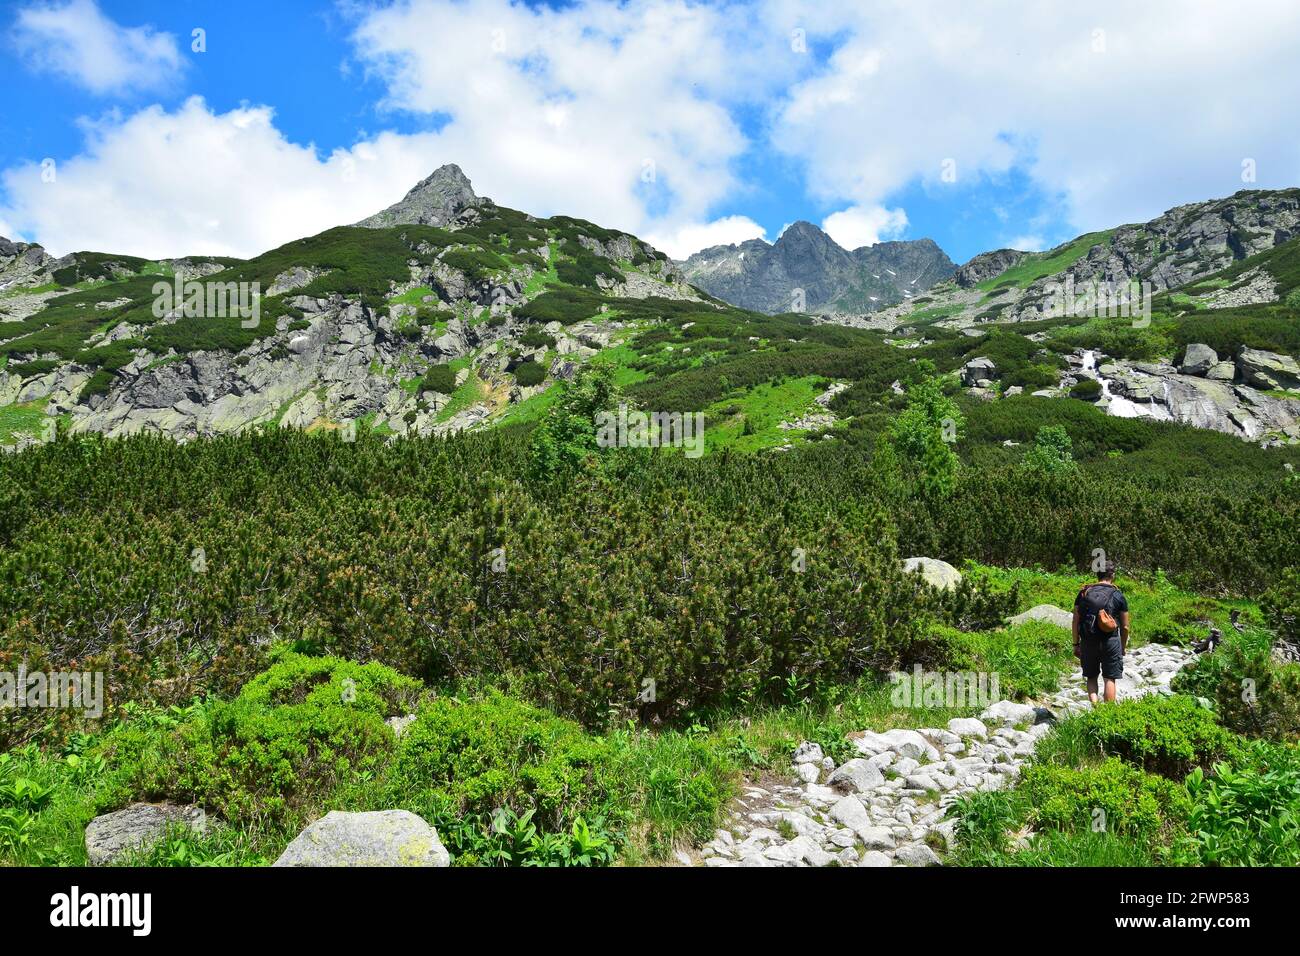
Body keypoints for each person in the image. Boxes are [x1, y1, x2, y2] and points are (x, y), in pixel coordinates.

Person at [1073, 561, 1130, 704]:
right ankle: (1108, 715)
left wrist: (1076, 644)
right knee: (1109, 678)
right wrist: (1122, 646)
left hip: (1088, 640)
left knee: (1091, 677)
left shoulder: (1084, 592)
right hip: (1110, 640)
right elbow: (1125, 627)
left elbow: (1075, 620)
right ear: (1113, 575)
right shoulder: (1118, 595)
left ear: (1097, 575)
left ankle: (1095, 707)